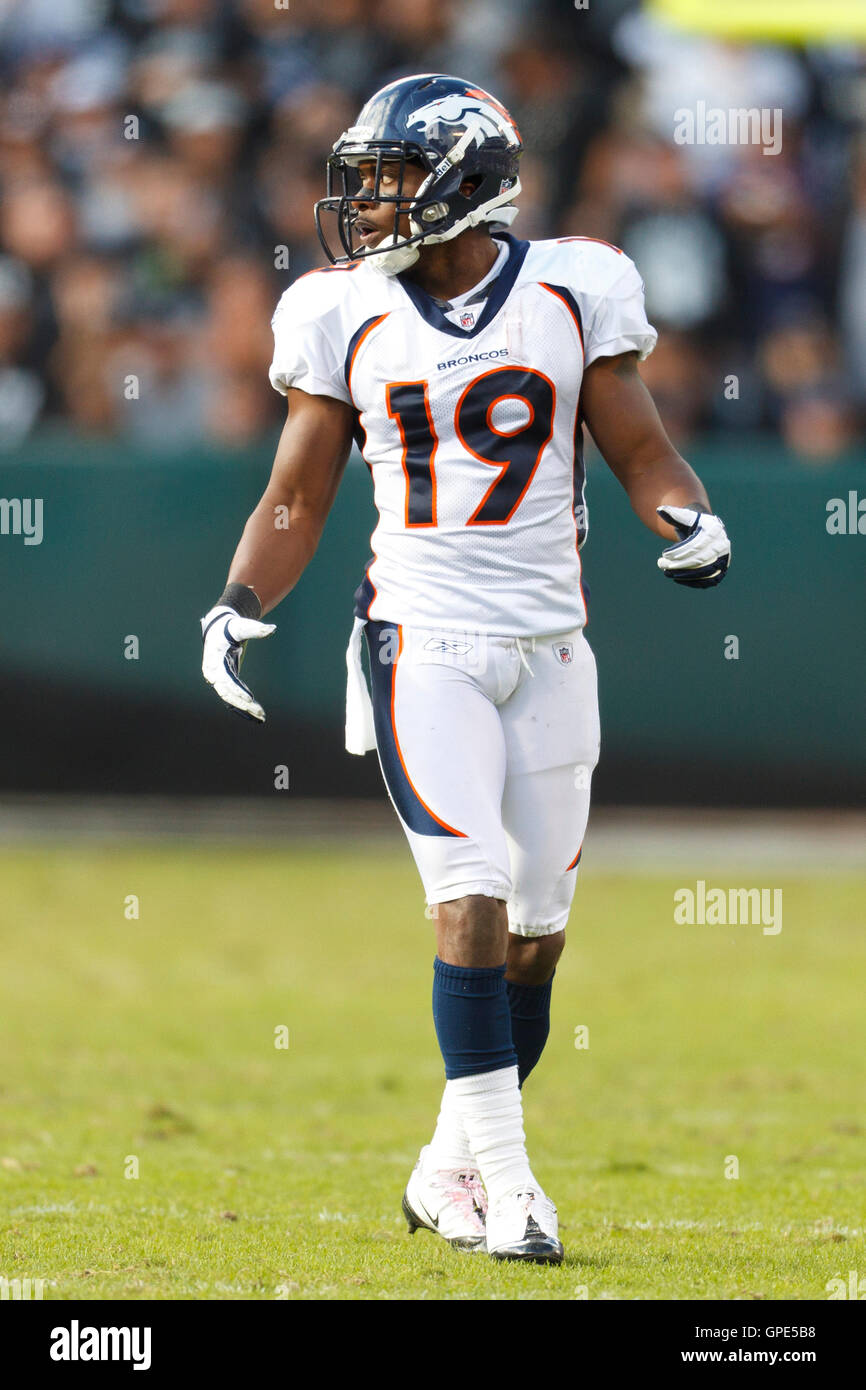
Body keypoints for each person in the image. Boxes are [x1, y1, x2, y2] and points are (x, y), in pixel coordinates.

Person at [200, 74, 731, 1265]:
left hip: (550, 652)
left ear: (462, 176)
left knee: (533, 934)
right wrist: (237, 604)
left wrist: (687, 519)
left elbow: (639, 446)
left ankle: (443, 1169)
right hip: (418, 640)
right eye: (367, 179)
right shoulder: (344, 310)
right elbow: (296, 491)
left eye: (390, 176)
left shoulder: (570, 287)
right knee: (470, 892)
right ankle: (512, 1187)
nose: (368, 202)